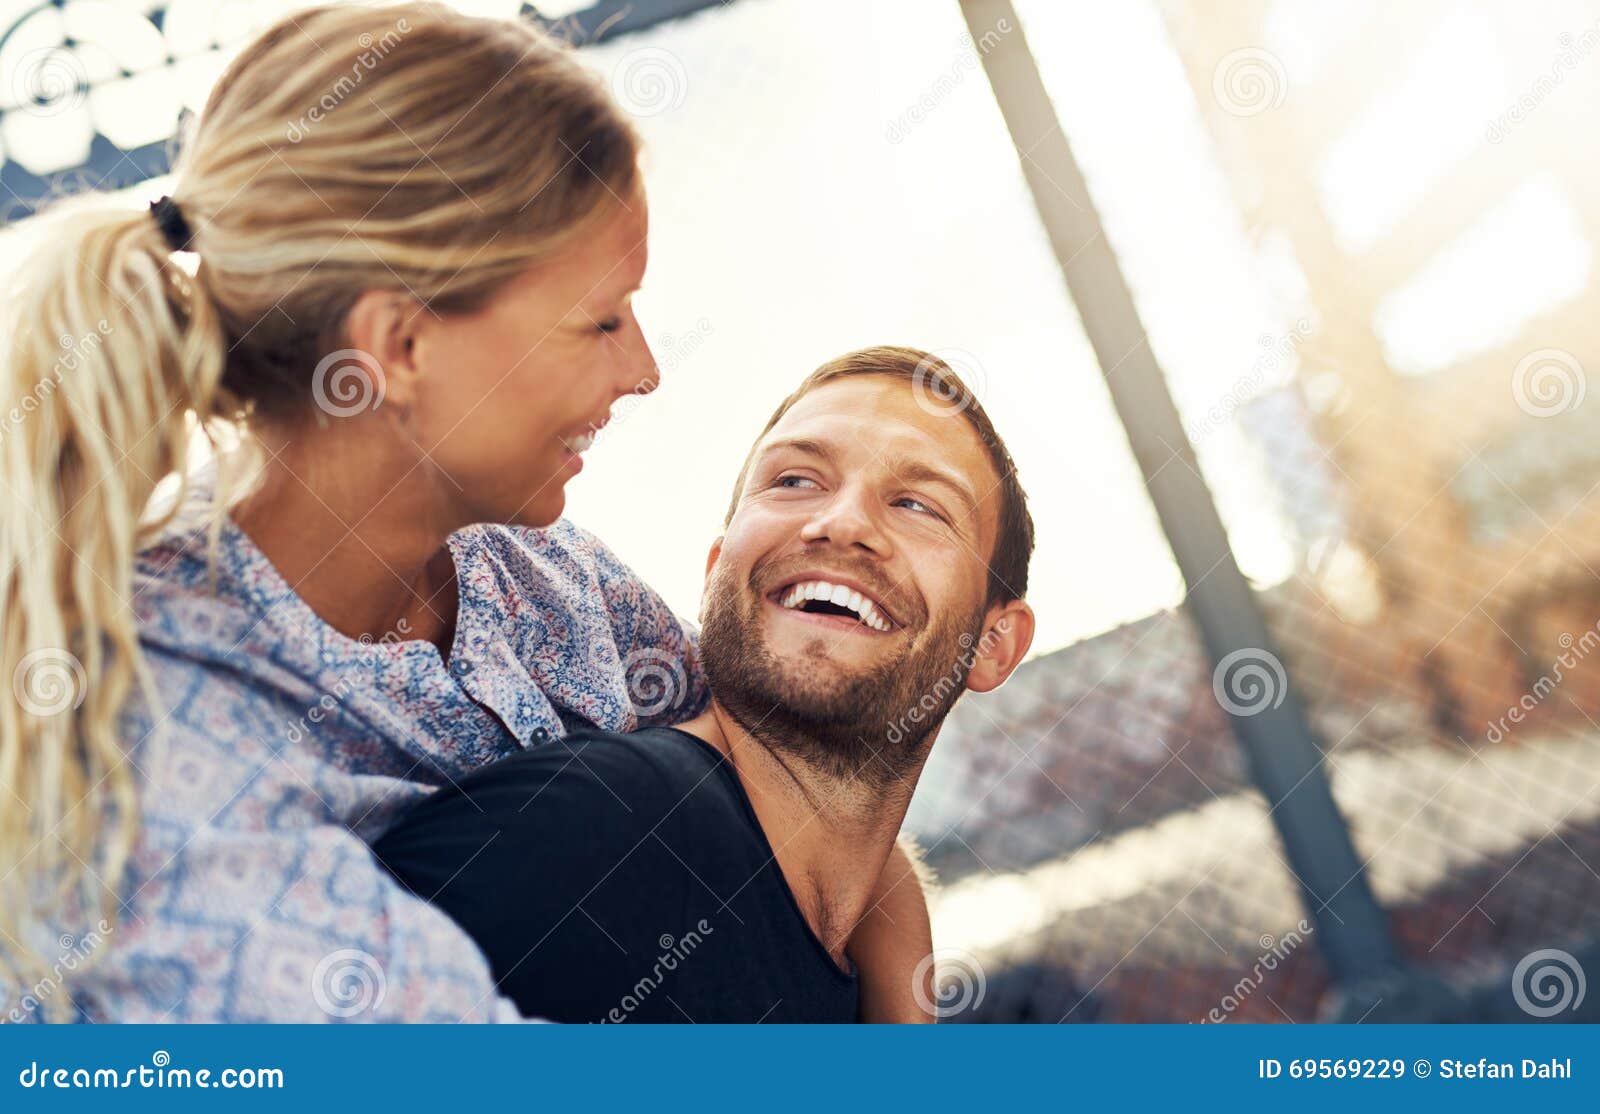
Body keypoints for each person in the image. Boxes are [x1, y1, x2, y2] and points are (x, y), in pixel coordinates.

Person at [0, 4, 926, 1023]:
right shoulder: (157, 741)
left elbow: (817, 802)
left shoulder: (540, 577)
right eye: (600, 321)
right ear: (398, 349)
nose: (645, 369)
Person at [375, 347, 1036, 1022]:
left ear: (994, 644)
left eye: (918, 504)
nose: (841, 522)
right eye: (795, 480)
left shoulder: (854, 962)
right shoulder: (606, 826)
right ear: (715, 570)